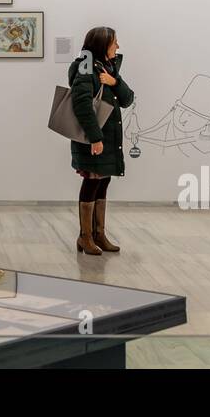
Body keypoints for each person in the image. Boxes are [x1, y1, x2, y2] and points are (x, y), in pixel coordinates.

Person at [67, 27, 135, 256]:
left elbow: (128, 99)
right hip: (94, 139)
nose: (118, 46)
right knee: (92, 182)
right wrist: (95, 138)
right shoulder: (87, 67)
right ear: (101, 45)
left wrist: (114, 82)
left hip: (108, 138)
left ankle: (98, 234)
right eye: (114, 42)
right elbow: (82, 104)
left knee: (102, 181)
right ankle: (85, 236)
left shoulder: (109, 67)